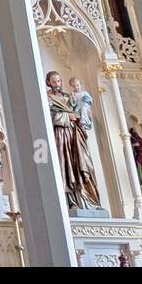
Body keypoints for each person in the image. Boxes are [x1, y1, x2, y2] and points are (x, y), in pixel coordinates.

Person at [46, 71, 101, 210]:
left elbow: (80, 109)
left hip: (74, 133)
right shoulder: (47, 98)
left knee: (82, 163)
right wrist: (66, 117)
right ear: (48, 83)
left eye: (59, 81)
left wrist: (83, 114)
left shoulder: (69, 96)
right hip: (60, 134)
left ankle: (87, 199)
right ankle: (71, 201)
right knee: (66, 164)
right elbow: (47, 116)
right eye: (54, 81)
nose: (57, 84)